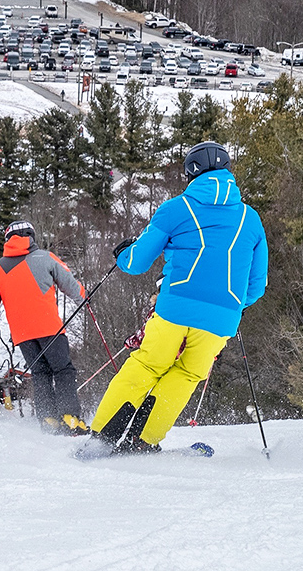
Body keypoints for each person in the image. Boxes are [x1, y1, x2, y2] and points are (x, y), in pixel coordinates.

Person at [77, 142, 268, 459]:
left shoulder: (176, 209)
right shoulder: (251, 219)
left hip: (175, 307)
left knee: (148, 364)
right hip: (223, 319)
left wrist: (123, 253)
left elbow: (137, 262)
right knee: (188, 374)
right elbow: (256, 286)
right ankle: (143, 439)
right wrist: (229, 304)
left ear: (191, 173)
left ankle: (104, 436)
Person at [0, 220, 89, 436]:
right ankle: (70, 418)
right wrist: (84, 298)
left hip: (22, 335)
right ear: (31, 236)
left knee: (40, 373)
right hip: (49, 327)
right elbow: (70, 284)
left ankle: (48, 419)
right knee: (63, 370)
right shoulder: (45, 258)